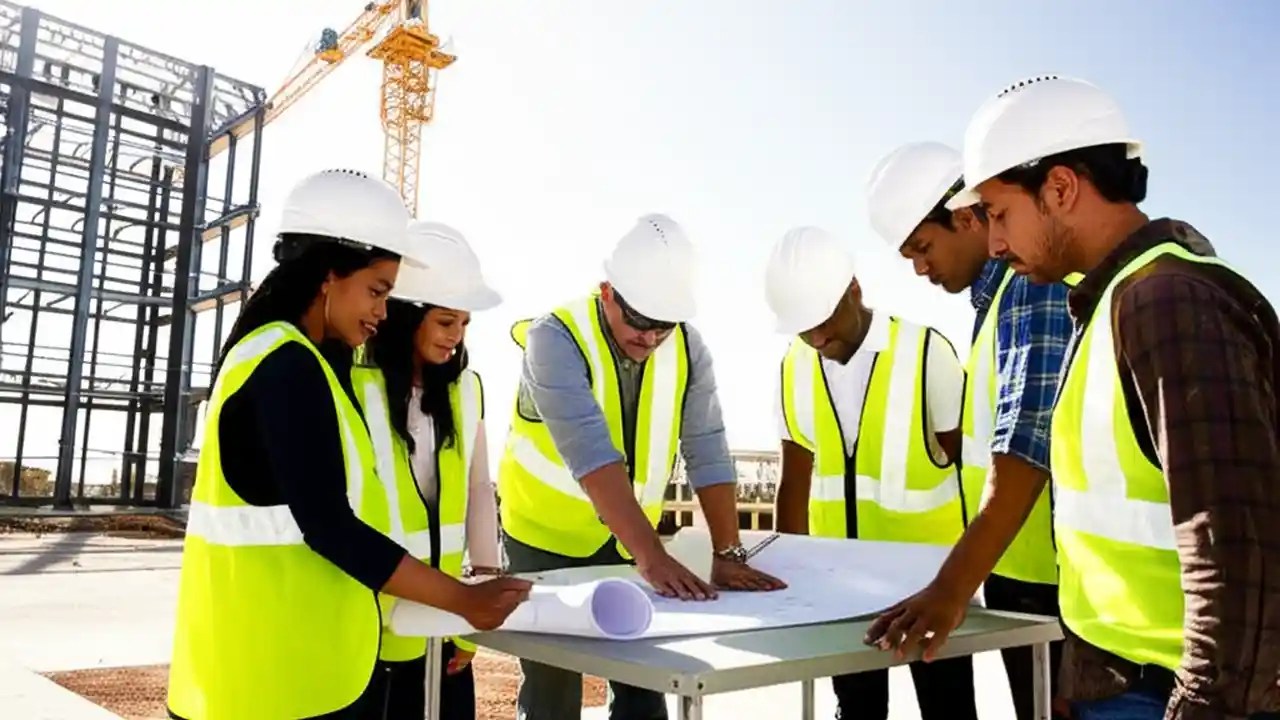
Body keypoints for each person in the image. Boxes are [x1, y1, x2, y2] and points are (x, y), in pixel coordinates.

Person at [900, 74, 1280, 719]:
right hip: (1124, 684)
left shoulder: (1168, 303)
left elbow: (1241, 547)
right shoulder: (1108, 305)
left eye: (997, 213)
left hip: (1179, 694)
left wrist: (1203, 706)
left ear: (1060, 188)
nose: (993, 241)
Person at [165, 169, 532, 720]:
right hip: (280, 683)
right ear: (329, 275)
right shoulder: (287, 365)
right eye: (378, 291)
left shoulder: (285, 358)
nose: (382, 312)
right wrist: (463, 600)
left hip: (284, 672)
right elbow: (331, 527)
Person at [497, 213, 787, 720]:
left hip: (627, 540)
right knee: (552, 689)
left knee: (643, 685)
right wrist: (651, 555)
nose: (651, 337)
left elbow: (708, 447)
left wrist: (728, 550)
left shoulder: (690, 348)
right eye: (639, 321)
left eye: (663, 325)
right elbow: (590, 452)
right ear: (608, 291)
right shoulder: (554, 338)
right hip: (542, 537)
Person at [862, 141, 1071, 720]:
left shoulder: (1032, 286)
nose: (920, 268)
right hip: (1018, 576)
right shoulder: (994, 303)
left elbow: (1027, 445)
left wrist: (952, 587)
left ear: (966, 217)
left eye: (923, 248)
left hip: (1053, 586)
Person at [764, 226, 977, 720]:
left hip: (930, 588)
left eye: (823, 320)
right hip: (840, 592)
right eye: (802, 328)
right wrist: (789, 588)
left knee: (949, 712)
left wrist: (963, 583)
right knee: (857, 714)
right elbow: (793, 484)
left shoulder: (927, 352)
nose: (817, 338)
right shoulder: (794, 367)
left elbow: (972, 473)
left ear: (854, 290)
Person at [356, 221, 505, 720]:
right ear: (405, 316)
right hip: (365, 626)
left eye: (464, 323)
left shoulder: (467, 391)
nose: (456, 337)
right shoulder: (354, 387)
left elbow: (480, 493)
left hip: (445, 618)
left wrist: (475, 608)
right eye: (446, 322)